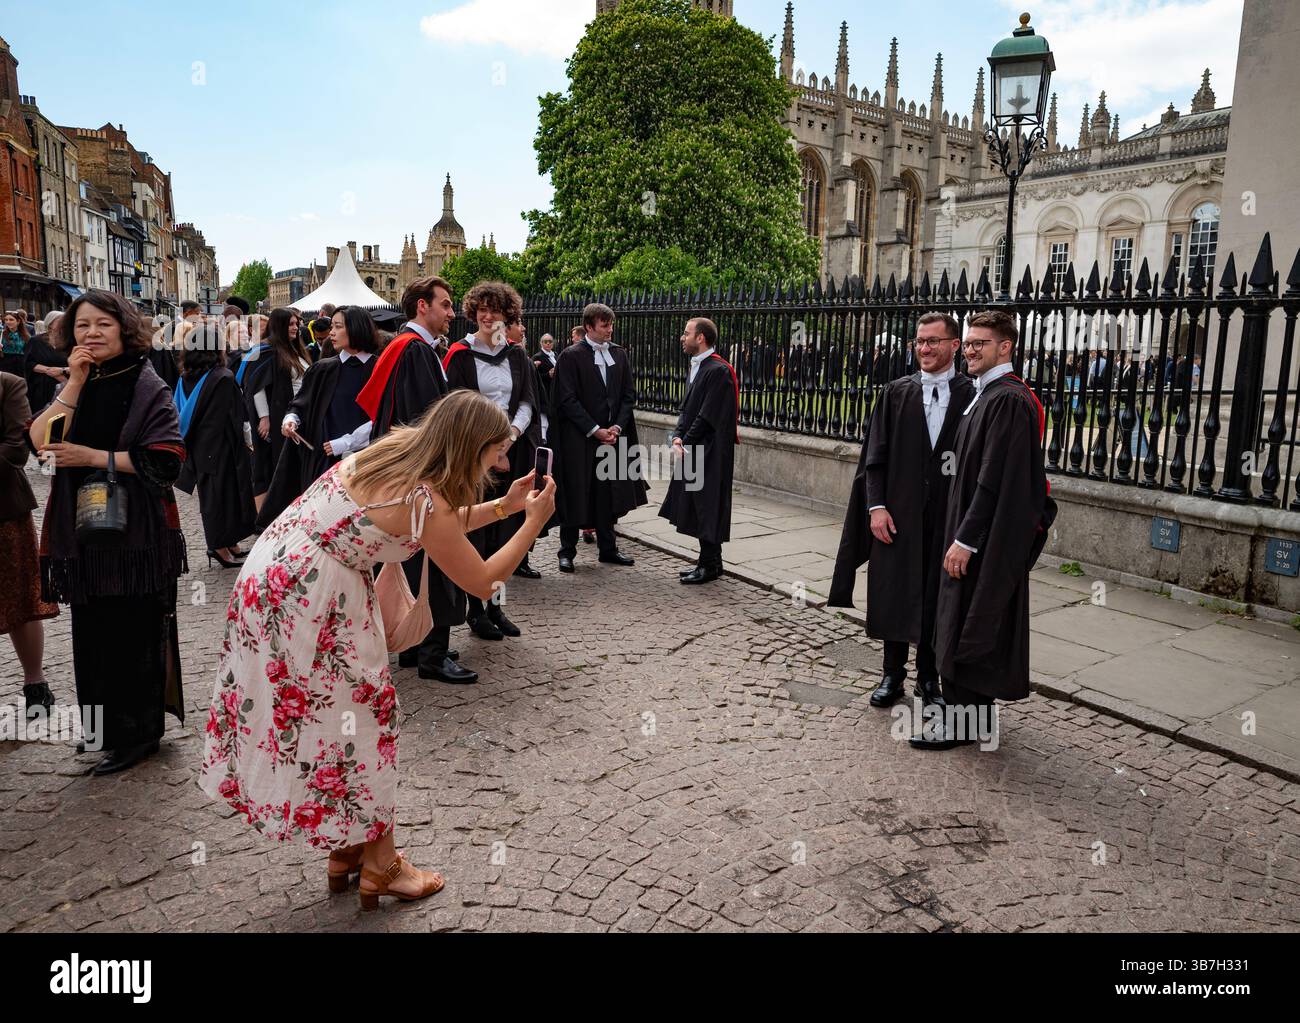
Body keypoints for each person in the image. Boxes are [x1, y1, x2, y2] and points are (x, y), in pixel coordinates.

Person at [198, 390, 555, 909]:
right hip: (312, 596)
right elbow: (482, 581)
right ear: (468, 447)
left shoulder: (403, 451)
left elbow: (439, 525)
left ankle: (349, 849)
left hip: (279, 573)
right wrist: (532, 523)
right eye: (496, 452)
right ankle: (382, 865)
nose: (502, 463)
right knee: (367, 720)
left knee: (337, 719)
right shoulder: (424, 497)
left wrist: (504, 505)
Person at [29, 290, 187, 775]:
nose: (92, 334)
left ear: (123, 329)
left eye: (102, 324)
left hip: (136, 528)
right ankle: (103, 730)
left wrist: (93, 458)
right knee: (91, 632)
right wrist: (73, 382)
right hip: (82, 527)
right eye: (82, 326)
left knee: (134, 631)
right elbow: (40, 441)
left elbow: (166, 459)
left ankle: (138, 735)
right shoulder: (80, 380)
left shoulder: (146, 382)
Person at [920, 310, 1053, 751]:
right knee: (960, 620)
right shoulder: (987, 394)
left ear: (1005, 347)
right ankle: (970, 716)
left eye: (981, 343)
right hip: (971, 530)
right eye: (969, 342)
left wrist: (965, 540)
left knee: (971, 620)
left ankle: (964, 722)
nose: (971, 350)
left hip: (982, 540)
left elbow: (994, 479)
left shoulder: (1008, 400)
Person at [829, 313, 974, 709]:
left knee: (935, 595)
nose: (925, 348)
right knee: (893, 592)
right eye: (920, 341)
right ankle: (892, 674)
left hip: (947, 518)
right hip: (897, 514)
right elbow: (874, 456)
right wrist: (875, 507)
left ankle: (929, 680)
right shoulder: (896, 392)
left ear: (955, 345)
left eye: (934, 341)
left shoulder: (971, 395)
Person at [358, 276, 476, 686]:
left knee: (410, 557)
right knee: (438, 560)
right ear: (422, 306)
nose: (452, 313)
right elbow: (429, 422)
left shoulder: (400, 348)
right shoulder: (416, 353)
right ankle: (432, 652)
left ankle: (412, 642)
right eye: (445, 305)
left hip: (401, 475)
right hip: (422, 476)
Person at [444, 282, 542, 637]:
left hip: (510, 452)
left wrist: (508, 441)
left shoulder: (516, 356)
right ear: (473, 313)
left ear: (507, 316)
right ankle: (476, 611)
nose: (488, 317)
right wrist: (488, 447)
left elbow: (529, 402)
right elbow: (455, 406)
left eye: (495, 311)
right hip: (473, 457)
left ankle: (497, 607)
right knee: (476, 533)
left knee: (505, 534)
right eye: (482, 310)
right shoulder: (460, 354)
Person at [551, 303, 648, 573]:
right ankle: (566, 551)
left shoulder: (619, 354)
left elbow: (628, 395)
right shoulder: (570, 356)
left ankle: (608, 548)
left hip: (613, 438)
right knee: (576, 491)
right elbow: (566, 399)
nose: (610, 329)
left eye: (611, 324)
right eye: (604, 325)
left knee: (608, 492)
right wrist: (594, 429)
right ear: (590, 327)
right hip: (579, 440)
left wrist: (617, 426)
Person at [260, 306, 378, 527]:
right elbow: (300, 405)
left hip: (365, 462)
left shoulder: (380, 368)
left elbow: (386, 416)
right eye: (331, 326)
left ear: (356, 328)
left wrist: (346, 442)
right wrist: (291, 420)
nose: (331, 332)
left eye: (338, 326)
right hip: (322, 461)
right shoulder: (323, 369)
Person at [659, 317, 738, 585]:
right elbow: (688, 409)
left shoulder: (718, 370)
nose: (682, 337)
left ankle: (710, 565)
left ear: (701, 337)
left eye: (686, 333)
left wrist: (685, 440)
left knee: (708, 506)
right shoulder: (700, 367)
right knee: (697, 506)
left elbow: (707, 416)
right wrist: (678, 436)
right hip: (694, 448)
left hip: (711, 452)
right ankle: (709, 562)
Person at [1, 371, 58, 719]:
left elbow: (15, 448)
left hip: (4, 511)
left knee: (19, 595)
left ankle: (34, 681)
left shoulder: (9, 384)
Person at [174, 334, 255, 569]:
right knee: (222, 498)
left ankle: (229, 543)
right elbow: (233, 416)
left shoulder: (185, 377)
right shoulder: (222, 377)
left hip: (199, 447)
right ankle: (218, 546)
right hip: (222, 448)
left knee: (215, 496)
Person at [246, 308, 312, 513]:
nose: (295, 327)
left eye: (296, 324)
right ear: (280, 326)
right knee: (273, 467)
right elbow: (256, 387)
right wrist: (264, 418)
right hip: (278, 417)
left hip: (300, 416)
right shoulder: (266, 351)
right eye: (291, 324)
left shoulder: (295, 350)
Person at [533, 334, 558, 440]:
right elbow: (534, 377)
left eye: (550, 341)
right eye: (545, 341)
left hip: (555, 390)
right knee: (546, 415)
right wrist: (548, 375)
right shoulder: (537, 357)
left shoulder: (556, 354)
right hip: (545, 391)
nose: (548, 343)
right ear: (541, 343)